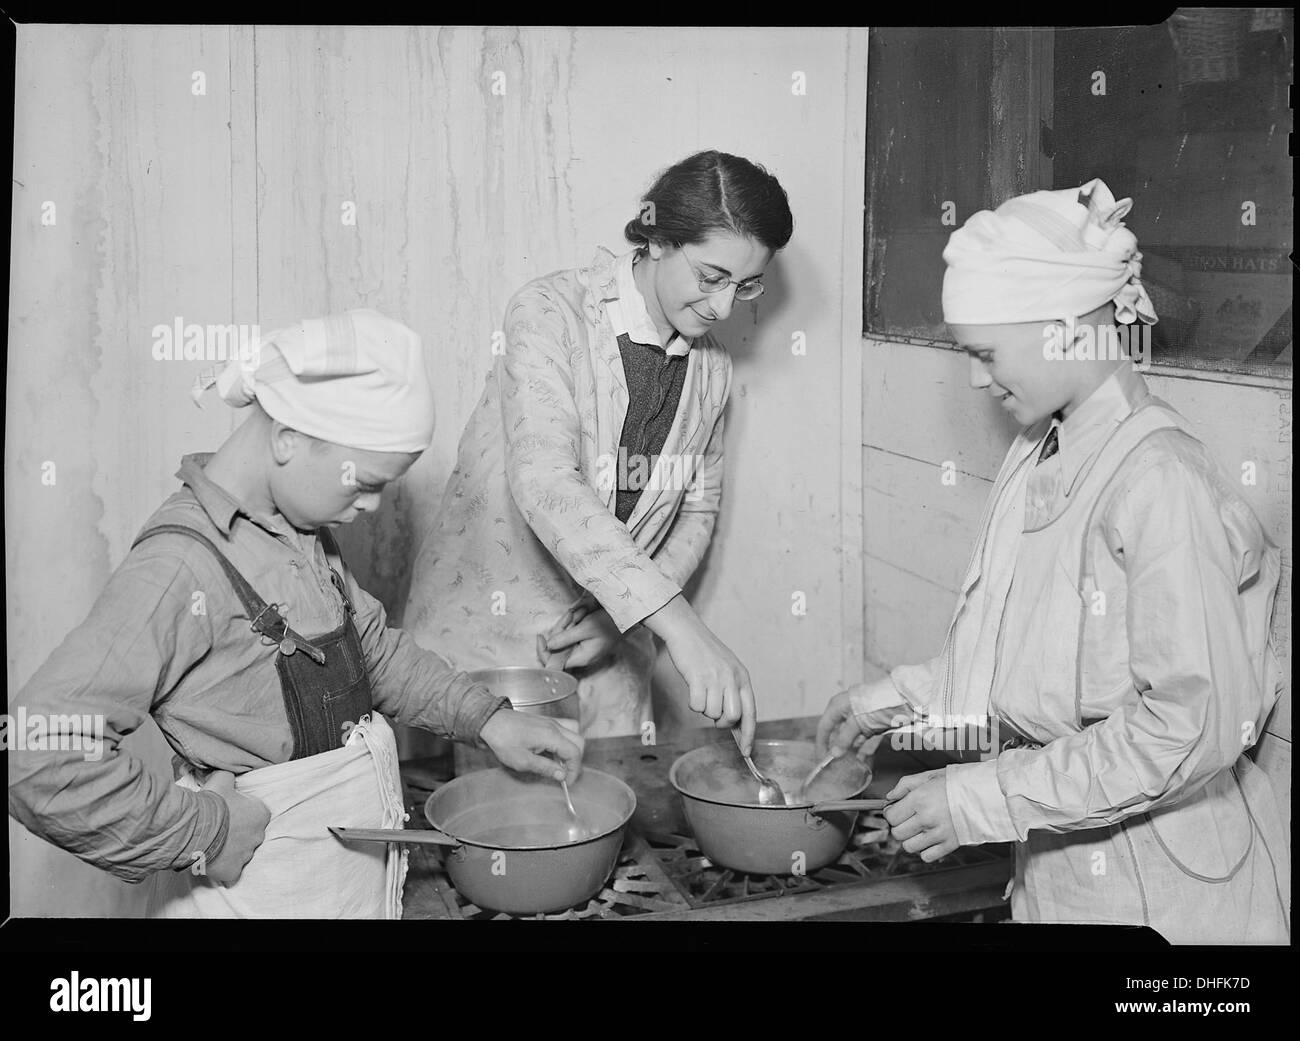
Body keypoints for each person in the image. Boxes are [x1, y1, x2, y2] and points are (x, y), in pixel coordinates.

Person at [818, 179, 1289, 943]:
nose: (976, 377)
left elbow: (1188, 729)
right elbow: (1018, 655)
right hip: (1061, 866)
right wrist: (885, 703)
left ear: (1065, 326)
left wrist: (977, 800)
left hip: (1166, 899)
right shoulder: (1041, 450)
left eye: (984, 352)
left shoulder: (1159, 479)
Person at [7, 309, 582, 918]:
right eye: (362, 481)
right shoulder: (180, 567)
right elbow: (42, 756)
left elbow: (373, 655)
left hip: (340, 889)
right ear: (286, 439)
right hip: (254, 900)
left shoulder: (298, 533)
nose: (371, 505)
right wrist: (206, 834)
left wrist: (490, 722)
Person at [404, 151, 794, 754]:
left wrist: (621, 619)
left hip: (612, 646)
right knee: (479, 822)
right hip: (486, 643)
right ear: (659, 238)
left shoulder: (712, 369)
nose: (723, 308)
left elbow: (697, 507)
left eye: (745, 285)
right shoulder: (547, 312)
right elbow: (546, 484)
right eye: (712, 277)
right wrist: (681, 627)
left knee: (604, 813)